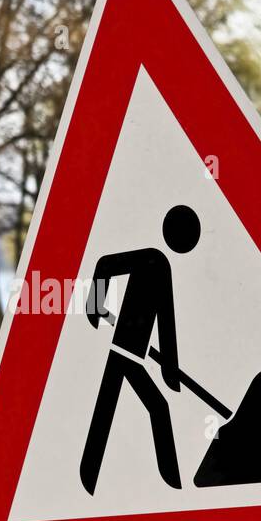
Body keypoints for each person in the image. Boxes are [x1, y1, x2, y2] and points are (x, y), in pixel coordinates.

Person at [80, 205, 200, 495]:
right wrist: (93, 308)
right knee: (155, 409)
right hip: (123, 353)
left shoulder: (162, 266)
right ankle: (175, 485)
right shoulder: (153, 259)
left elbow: (165, 321)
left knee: (109, 412)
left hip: (130, 355)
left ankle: (87, 477)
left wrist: (169, 368)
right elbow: (105, 265)